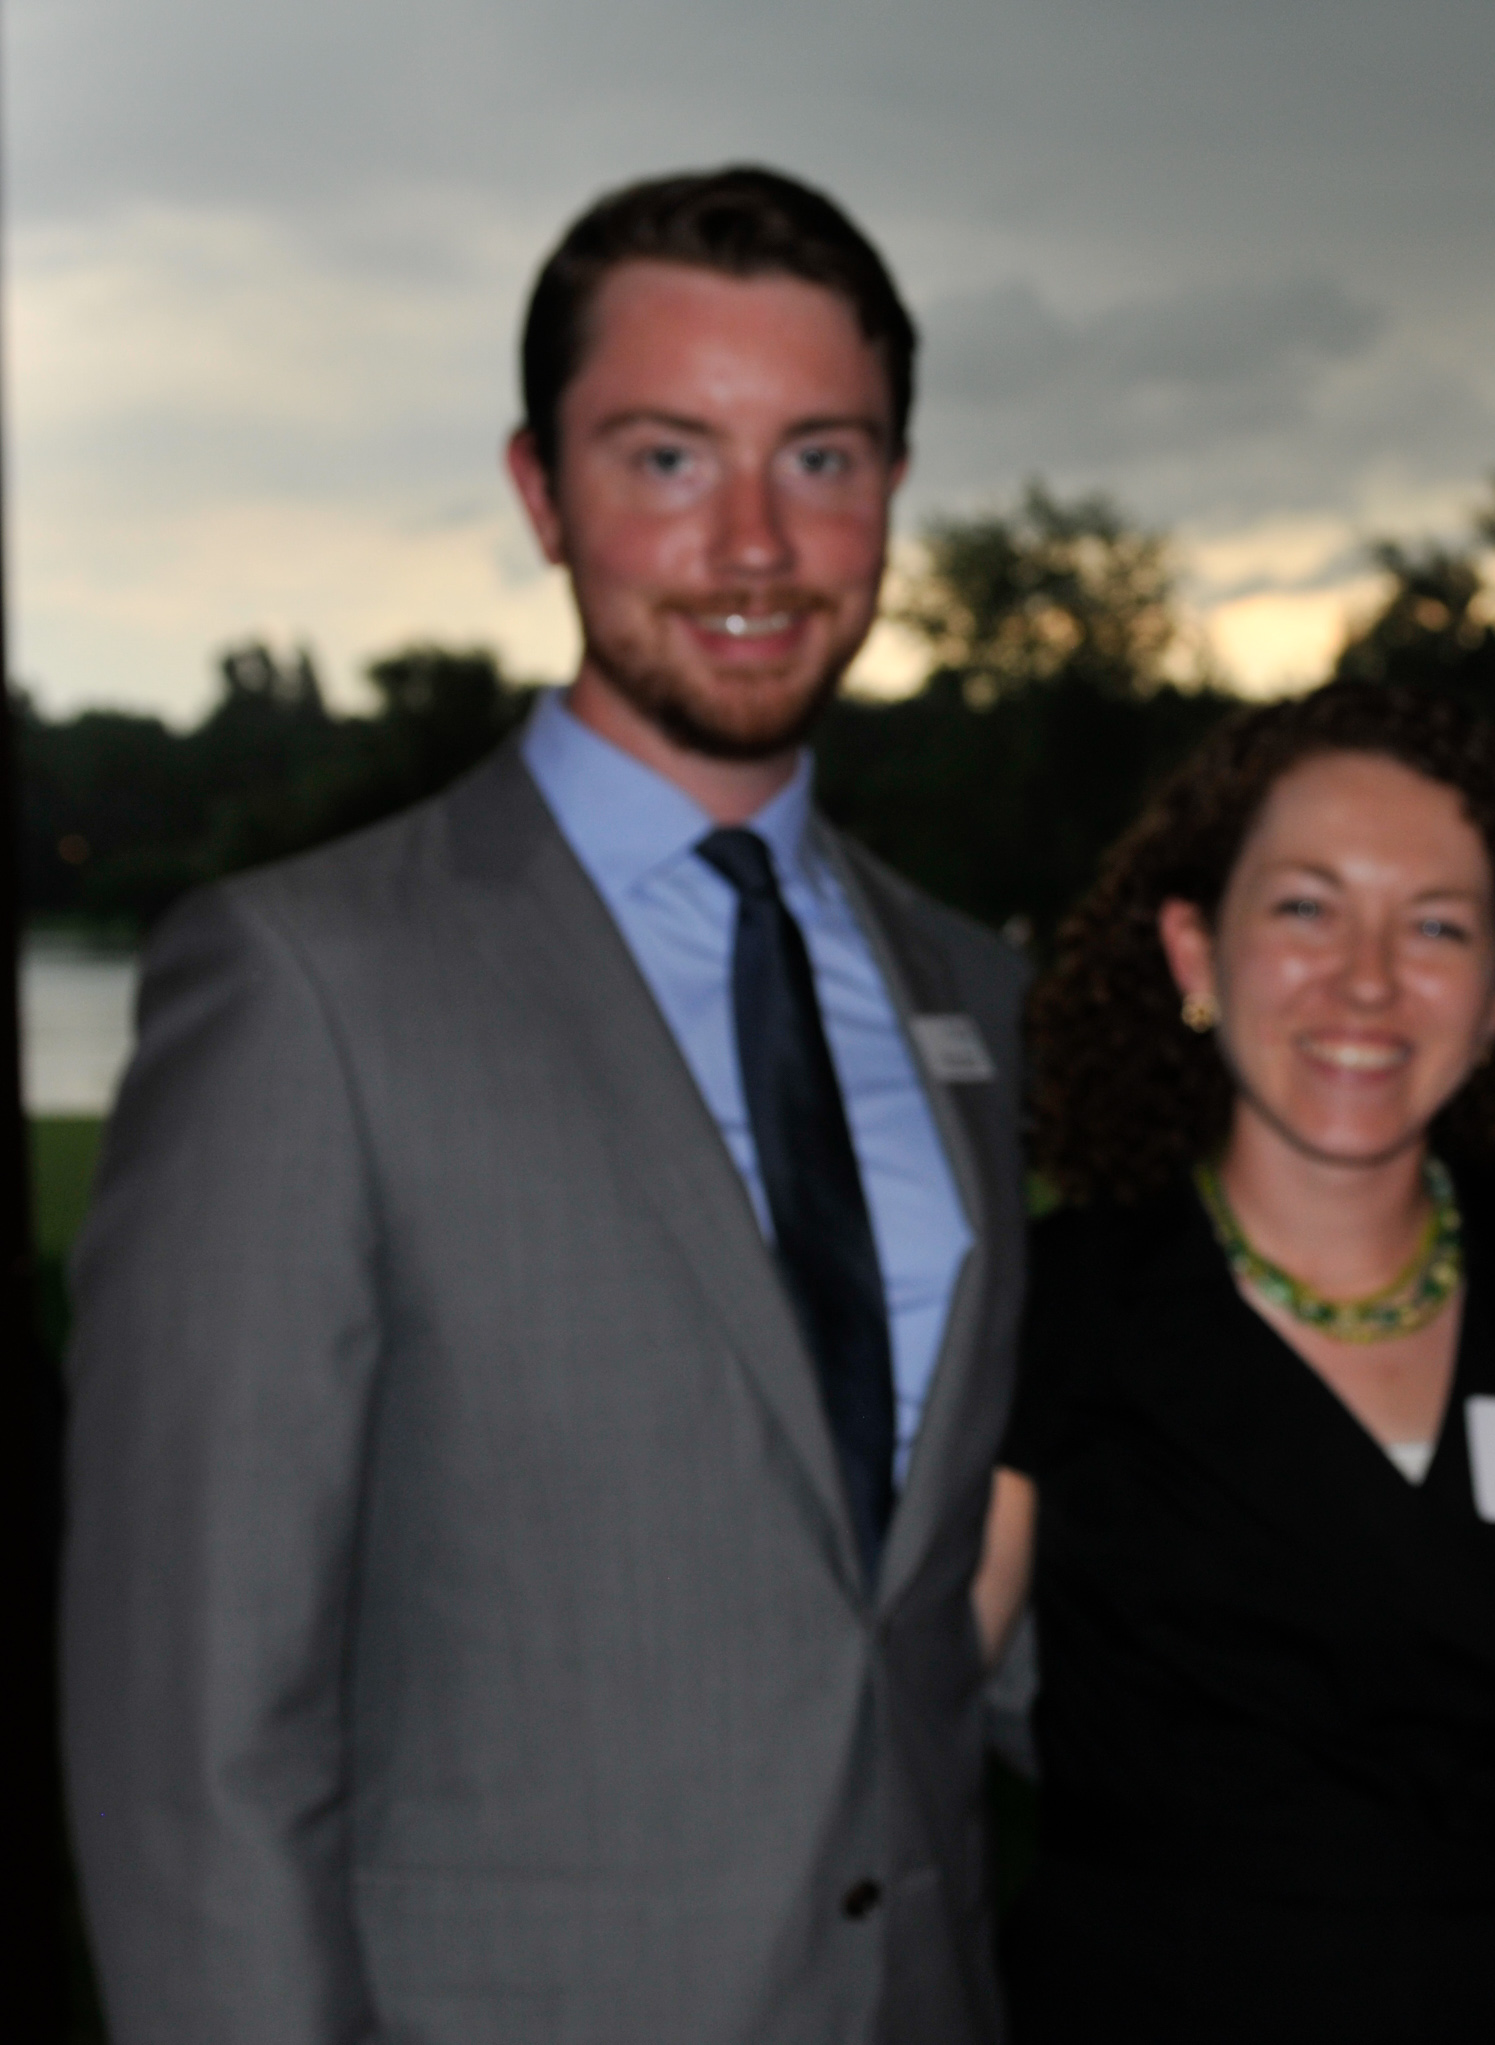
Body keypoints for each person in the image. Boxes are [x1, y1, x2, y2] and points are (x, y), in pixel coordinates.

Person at [61, 167, 1028, 2044]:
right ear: (538, 490)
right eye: (669, 458)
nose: (754, 542)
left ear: (895, 484)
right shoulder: (306, 989)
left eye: (820, 458)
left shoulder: (965, 995)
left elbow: (913, 1595)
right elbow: (193, 1741)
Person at [968, 681, 1495, 2042]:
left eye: (1438, 927)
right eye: (1304, 907)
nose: (1366, 978)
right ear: (1190, 952)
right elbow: (909, 1706)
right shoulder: (1056, 1303)